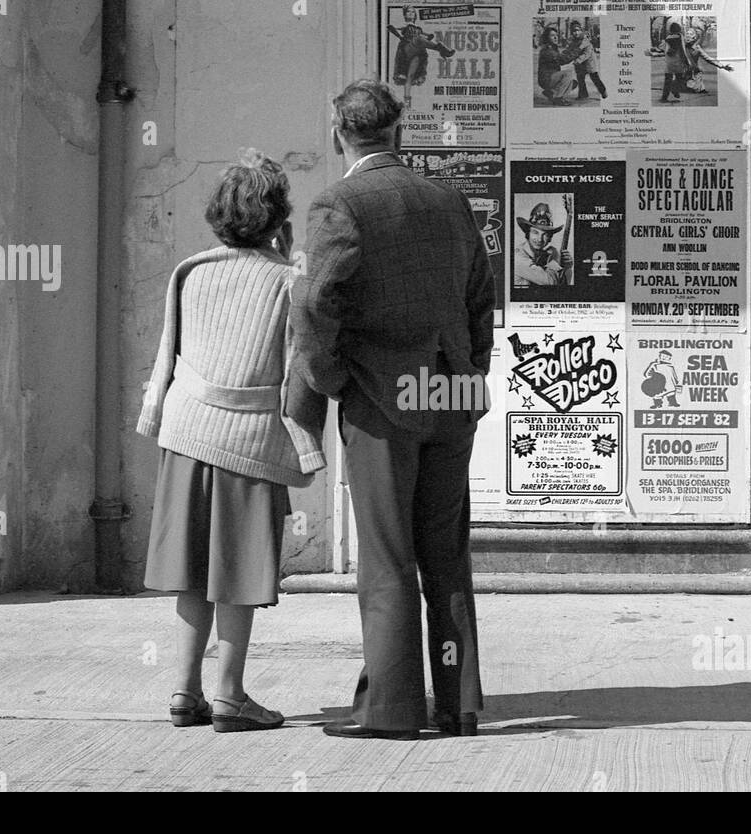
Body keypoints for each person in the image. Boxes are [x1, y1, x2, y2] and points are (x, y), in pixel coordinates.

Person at [289, 80, 495, 741]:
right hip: (450, 394)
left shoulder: (338, 205)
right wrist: (470, 367)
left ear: (337, 132)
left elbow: (316, 308)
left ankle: (392, 709)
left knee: (385, 555)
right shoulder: (449, 197)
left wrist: (334, 379)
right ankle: (458, 700)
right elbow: (479, 295)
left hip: (383, 399)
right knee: (445, 553)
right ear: (398, 131)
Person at [137, 151, 328, 734]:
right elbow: (298, 368)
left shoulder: (189, 271)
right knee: (239, 572)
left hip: (187, 433)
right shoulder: (285, 282)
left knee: (191, 567)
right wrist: (309, 447)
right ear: (279, 220)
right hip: (247, 441)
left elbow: (169, 354)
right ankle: (230, 694)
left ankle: (182, 689)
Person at [389, 5, 455, 109]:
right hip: (407, 49)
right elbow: (392, 27)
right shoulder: (405, 24)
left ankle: (407, 105)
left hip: (417, 53)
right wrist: (399, 34)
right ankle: (442, 49)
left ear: (415, 15)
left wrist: (429, 37)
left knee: (410, 77)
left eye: (413, 12)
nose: (411, 13)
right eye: (408, 12)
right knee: (419, 39)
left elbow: (427, 35)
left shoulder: (419, 28)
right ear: (405, 14)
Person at [513, 200, 573, 287]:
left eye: (545, 234)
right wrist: (556, 258)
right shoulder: (518, 257)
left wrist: (567, 268)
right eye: (535, 232)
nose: (540, 239)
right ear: (528, 232)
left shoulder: (542, 256)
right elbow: (551, 283)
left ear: (549, 238)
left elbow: (562, 289)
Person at [647, 22, 692, 103]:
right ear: (678, 29)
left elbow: (663, 49)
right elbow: (683, 50)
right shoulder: (680, 37)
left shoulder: (667, 38)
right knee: (680, 79)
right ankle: (674, 89)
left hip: (669, 62)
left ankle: (664, 98)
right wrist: (687, 61)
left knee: (667, 80)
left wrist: (654, 52)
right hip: (678, 62)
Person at [536, 26, 580, 106]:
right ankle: (558, 98)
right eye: (552, 35)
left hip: (551, 77)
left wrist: (571, 48)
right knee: (568, 73)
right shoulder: (547, 50)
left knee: (573, 83)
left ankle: (551, 92)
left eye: (556, 35)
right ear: (547, 37)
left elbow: (563, 55)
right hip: (546, 79)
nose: (556, 37)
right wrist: (577, 51)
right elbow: (562, 60)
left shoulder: (552, 48)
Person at [683, 26, 734, 94]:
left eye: (691, 34)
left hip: (694, 70)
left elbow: (708, 58)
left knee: (697, 84)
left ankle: (697, 87)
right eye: (687, 34)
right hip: (682, 71)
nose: (688, 36)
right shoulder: (681, 45)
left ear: (695, 37)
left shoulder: (697, 48)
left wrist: (722, 66)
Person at [569, 22, 607, 101]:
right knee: (580, 78)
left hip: (589, 63)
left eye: (577, 30)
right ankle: (583, 94)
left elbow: (587, 53)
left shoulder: (585, 40)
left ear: (581, 30)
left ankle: (603, 91)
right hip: (580, 65)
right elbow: (571, 50)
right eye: (574, 31)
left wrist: (578, 60)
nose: (576, 33)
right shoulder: (573, 42)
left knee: (595, 78)